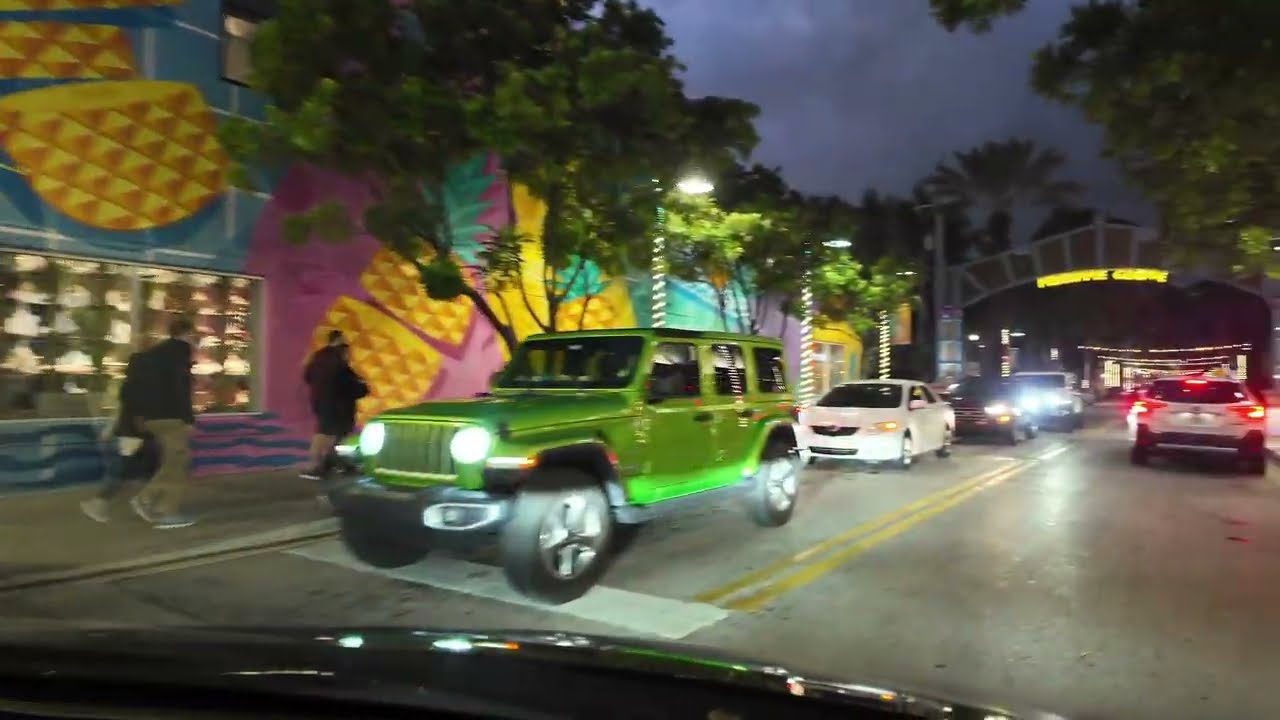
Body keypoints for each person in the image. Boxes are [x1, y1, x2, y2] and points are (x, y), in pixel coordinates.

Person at [128, 316, 197, 529]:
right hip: (171, 416)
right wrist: (188, 418)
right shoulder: (180, 351)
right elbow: (180, 388)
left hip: (152, 417)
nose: (196, 340)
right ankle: (163, 510)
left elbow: (138, 384)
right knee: (178, 463)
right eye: (194, 335)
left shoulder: (155, 353)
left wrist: (139, 414)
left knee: (173, 461)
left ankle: (151, 501)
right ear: (186, 333)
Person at [79, 352, 159, 523]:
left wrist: (110, 428)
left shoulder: (129, 385)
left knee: (138, 470)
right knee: (129, 471)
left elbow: (121, 410)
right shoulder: (140, 386)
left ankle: (139, 502)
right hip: (136, 434)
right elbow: (135, 412)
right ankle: (102, 502)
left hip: (131, 433)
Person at [302, 330, 366, 479]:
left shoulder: (318, 356)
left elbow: (307, 376)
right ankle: (317, 467)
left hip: (321, 401)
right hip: (338, 405)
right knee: (329, 434)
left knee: (330, 433)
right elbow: (347, 382)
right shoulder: (338, 359)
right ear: (338, 341)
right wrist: (361, 387)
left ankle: (329, 464)